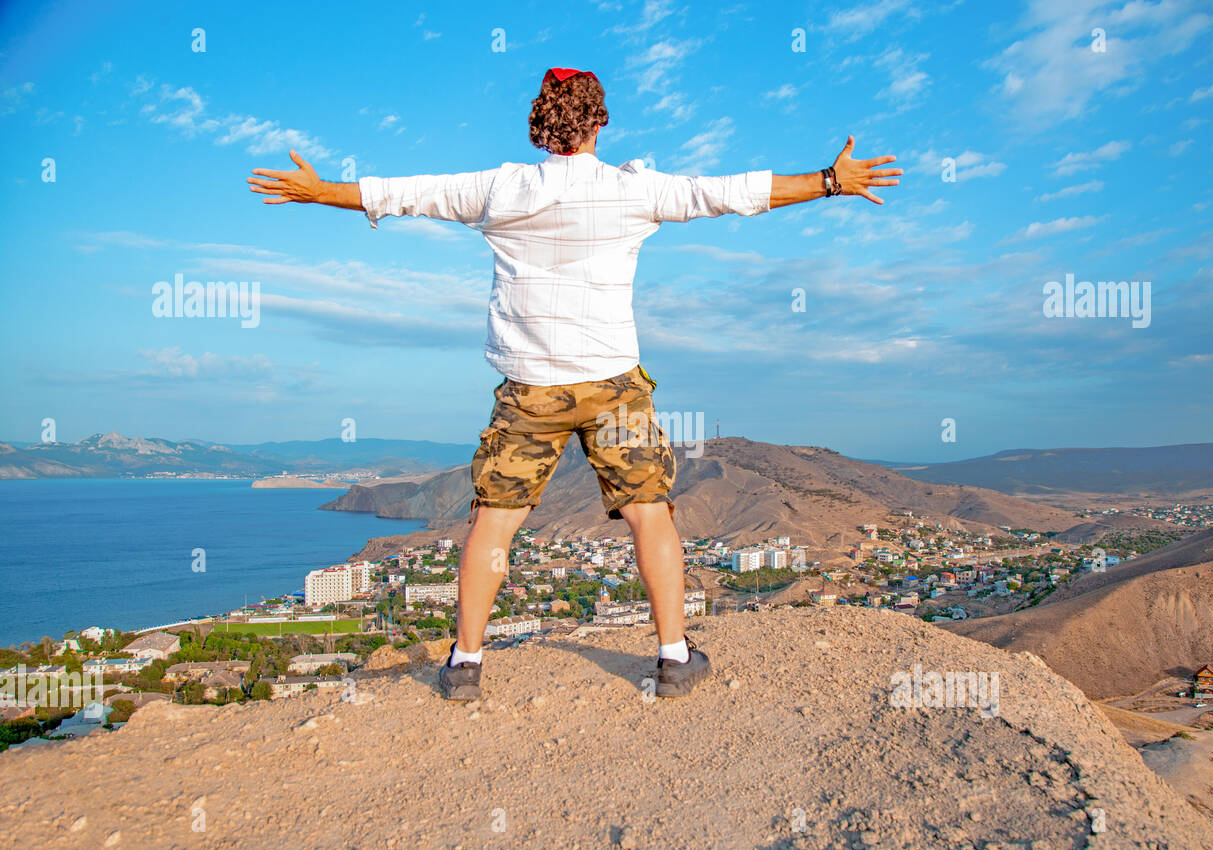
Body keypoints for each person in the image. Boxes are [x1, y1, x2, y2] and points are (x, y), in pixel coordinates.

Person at [246, 67, 903, 701]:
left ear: (539, 125)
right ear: (600, 122)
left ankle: (466, 665)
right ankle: (674, 657)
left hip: (529, 391)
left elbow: (403, 192)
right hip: (614, 386)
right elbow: (730, 192)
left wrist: (321, 190)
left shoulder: (499, 189)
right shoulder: (634, 191)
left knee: (492, 527)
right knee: (651, 514)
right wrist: (827, 181)